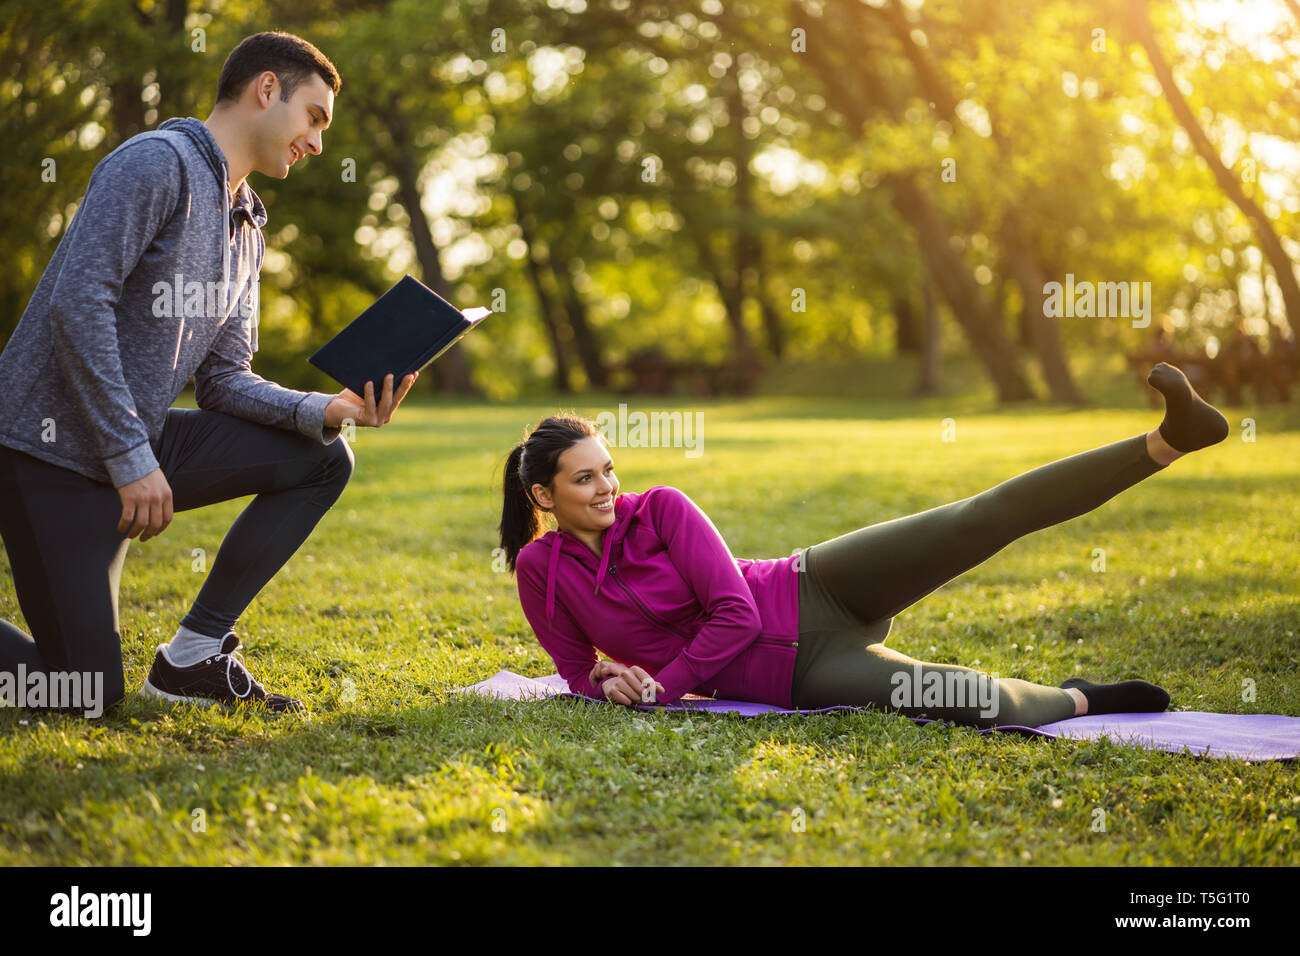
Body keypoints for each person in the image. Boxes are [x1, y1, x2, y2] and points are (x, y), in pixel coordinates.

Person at [0, 31, 418, 716]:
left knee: (323, 458)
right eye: (314, 117)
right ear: (265, 90)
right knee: (82, 696)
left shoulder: (249, 224)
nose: (317, 143)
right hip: (47, 450)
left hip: (133, 447)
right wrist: (131, 458)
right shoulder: (153, 165)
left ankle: (191, 659)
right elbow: (78, 307)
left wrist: (328, 409)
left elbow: (224, 379)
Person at [498, 363, 1230, 730]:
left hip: (814, 586)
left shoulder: (661, 510)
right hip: (803, 675)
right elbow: (572, 669)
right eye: (585, 479)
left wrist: (667, 684)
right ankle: (1080, 698)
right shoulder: (541, 569)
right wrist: (607, 682)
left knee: (978, 518)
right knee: (962, 700)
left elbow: (735, 614)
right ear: (544, 497)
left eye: (609, 468)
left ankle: (1167, 441)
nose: (607, 487)